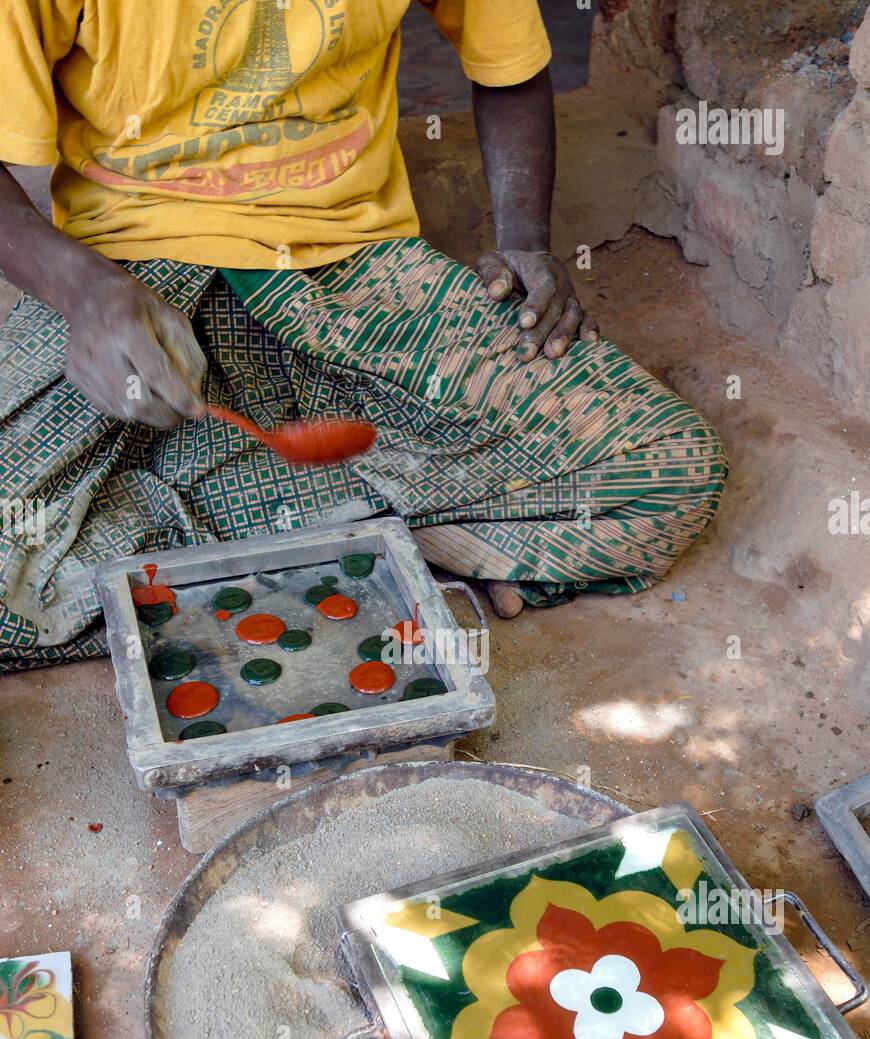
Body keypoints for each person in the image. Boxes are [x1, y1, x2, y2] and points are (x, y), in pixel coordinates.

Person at [0, 0, 726, 669]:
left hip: (354, 269)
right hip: (128, 281)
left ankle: (189, 543)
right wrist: (81, 289)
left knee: (666, 469)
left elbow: (509, 64)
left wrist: (525, 242)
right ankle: (384, 535)